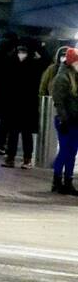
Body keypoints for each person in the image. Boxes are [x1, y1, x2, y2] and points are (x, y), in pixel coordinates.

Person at [0, 38, 46, 168]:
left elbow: (46, 60)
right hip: (20, 104)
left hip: (25, 105)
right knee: (17, 133)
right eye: (20, 50)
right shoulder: (19, 63)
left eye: (23, 51)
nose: (21, 53)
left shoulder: (30, 64)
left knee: (23, 134)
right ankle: (16, 158)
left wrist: (39, 48)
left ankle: (23, 159)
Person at [50, 47, 78, 195]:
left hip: (74, 120)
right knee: (65, 151)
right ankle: (57, 181)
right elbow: (59, 102)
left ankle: (68, 181)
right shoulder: (62, 77)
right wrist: (64, 119)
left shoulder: (74, 75)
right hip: (65, 120)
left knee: (72, 151)